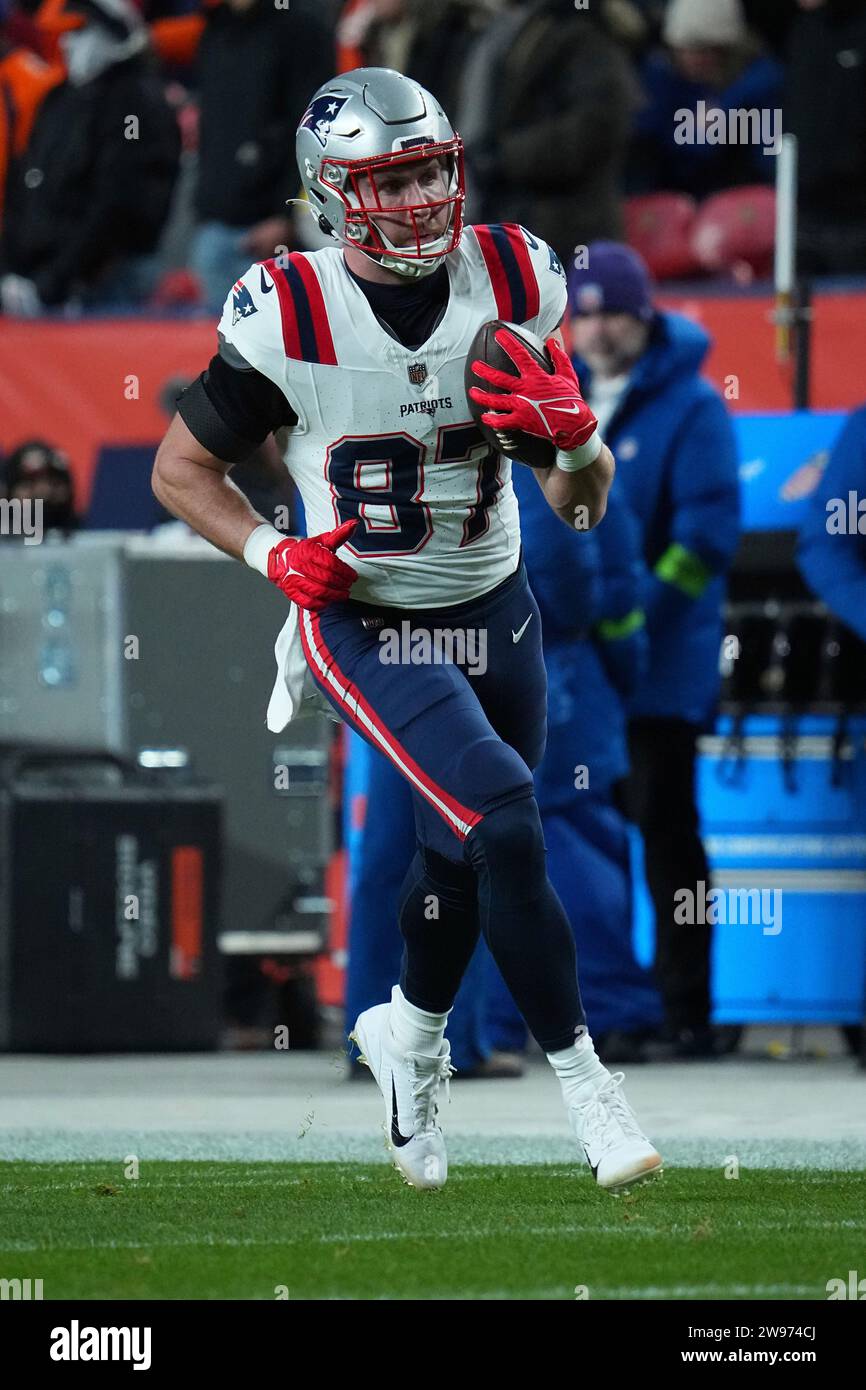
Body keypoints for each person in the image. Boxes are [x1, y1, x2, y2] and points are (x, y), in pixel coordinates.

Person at [153, 67, 662, 1195]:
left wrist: (575, 444)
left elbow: (580, 504)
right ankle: (589, 1087)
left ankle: (410, 1041)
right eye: (389, 178)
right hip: (363, 618)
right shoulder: (289, 308)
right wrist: (267, 552)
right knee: (506, 821)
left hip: (496, 602)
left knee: (458, 858)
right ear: (331, 195)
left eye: (432, 168)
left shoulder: (515, 274)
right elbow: (180, 467)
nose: (422, 197)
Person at [568, 242, 741, 1059]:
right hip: (583, 664)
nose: (598, 330)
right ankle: (602, 1007)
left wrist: (634, 616)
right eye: (587, 313)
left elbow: (706, 539)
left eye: (615, 314)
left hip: (661, 668)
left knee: (669, 838)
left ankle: (686, 1012)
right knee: (588, 833)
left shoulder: (693, 406)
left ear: (645, 317)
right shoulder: (558, 393)